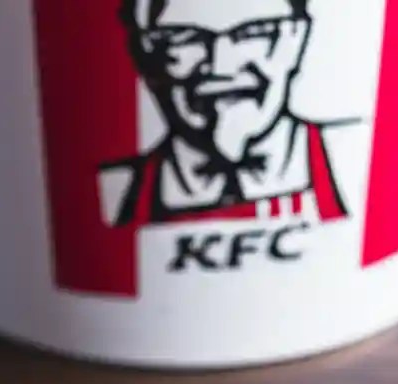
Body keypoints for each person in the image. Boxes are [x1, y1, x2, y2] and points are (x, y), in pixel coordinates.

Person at [100, 0, 350, 227]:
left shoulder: (352, 161)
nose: (223, 66)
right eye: (185, 37)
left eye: (255, 32)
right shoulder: (112, 189)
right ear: (145, 53)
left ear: (297, 39)